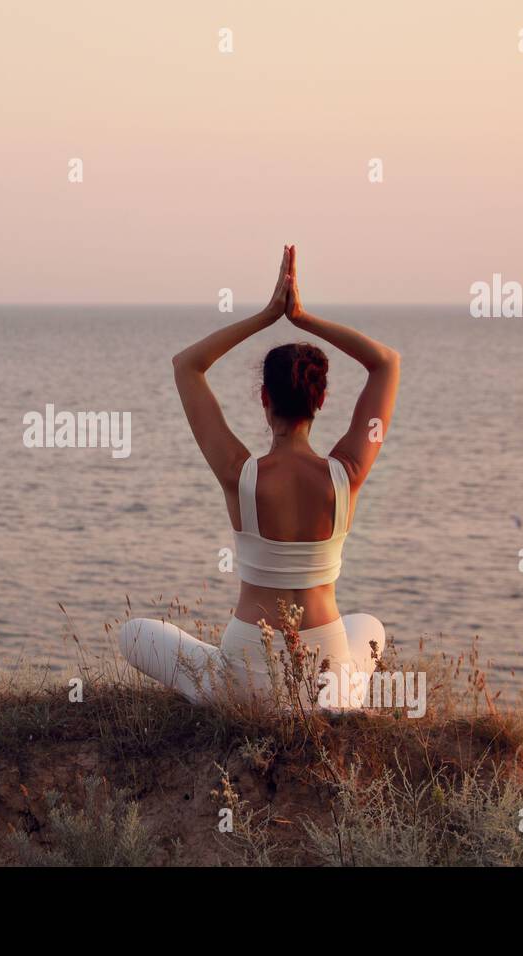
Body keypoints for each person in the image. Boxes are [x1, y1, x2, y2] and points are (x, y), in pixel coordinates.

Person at [119, 246, 401, 708]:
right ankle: (341, 699)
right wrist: (303, 317)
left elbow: (186, 365)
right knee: (368, 626)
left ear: (264, 397)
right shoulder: (346, 475)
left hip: (244, 683)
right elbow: (386, 363)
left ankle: (223, 687)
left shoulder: (239, 474)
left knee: (134, 633)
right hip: (325, 682)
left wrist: (268, 315)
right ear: (322, 400)